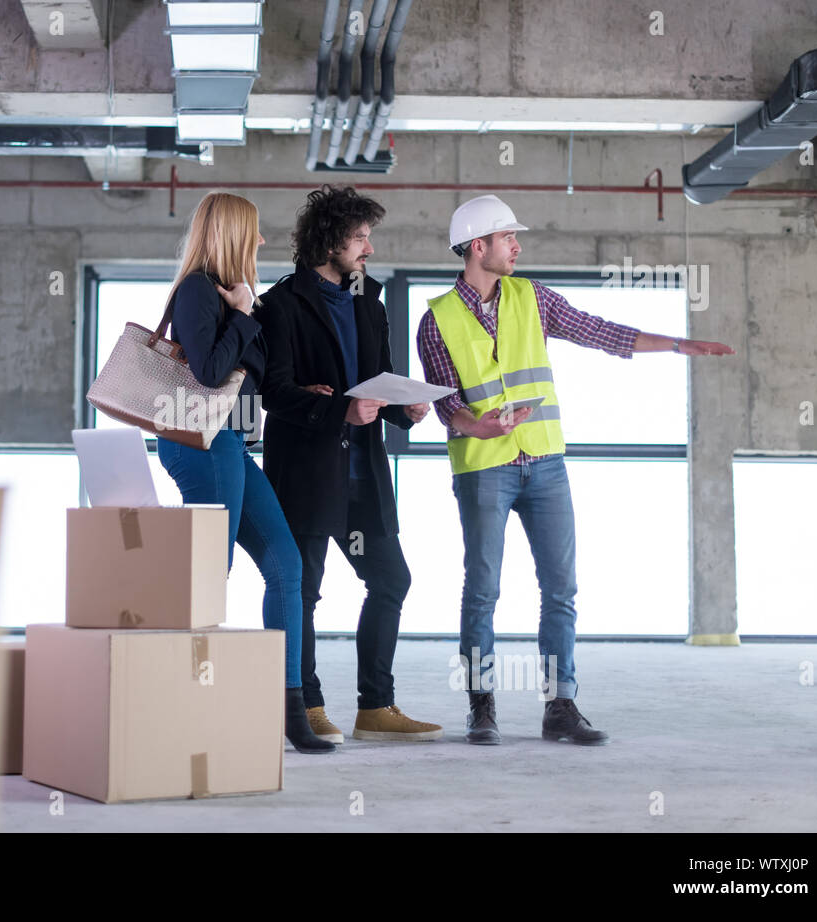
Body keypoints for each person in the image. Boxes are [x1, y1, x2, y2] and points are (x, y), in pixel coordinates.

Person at [417, 194, 735, 745]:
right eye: (507, 238)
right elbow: (447, 405)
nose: (517, 246)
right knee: (483, 590)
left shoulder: (532, 297)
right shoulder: (437, 319)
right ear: (477, 247)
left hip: (545, 464)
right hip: (483, 468)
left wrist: (678, 344)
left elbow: (597, 331)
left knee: (560, 588)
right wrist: (476, 426)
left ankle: (560, 705)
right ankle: (481, 704)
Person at [256, 184, 442, 744]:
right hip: (309, 473)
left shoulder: (368, 299)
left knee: (391, 579)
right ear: (329, 239)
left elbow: (378, 380)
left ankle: (375, 709)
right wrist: (340, 409)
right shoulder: (281, 304)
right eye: (360, 238)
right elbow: (275, 391)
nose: (368, 249)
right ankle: (304, 706)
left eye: (368, 238)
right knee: (304, 591)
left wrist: (406, 410)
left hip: (363, 471)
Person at [156, 191, 334, 754]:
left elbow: (245, 381)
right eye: (253, 232)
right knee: (212, 575)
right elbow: (209, 373)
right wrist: (241, 312)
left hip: (231, 443)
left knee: (286, 565)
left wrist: (246, 312)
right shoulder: (197, 292)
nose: (260, 242)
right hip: (201, 444)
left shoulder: (234, 298)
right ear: (232, 233)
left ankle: (288, 707)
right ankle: (180, 703)